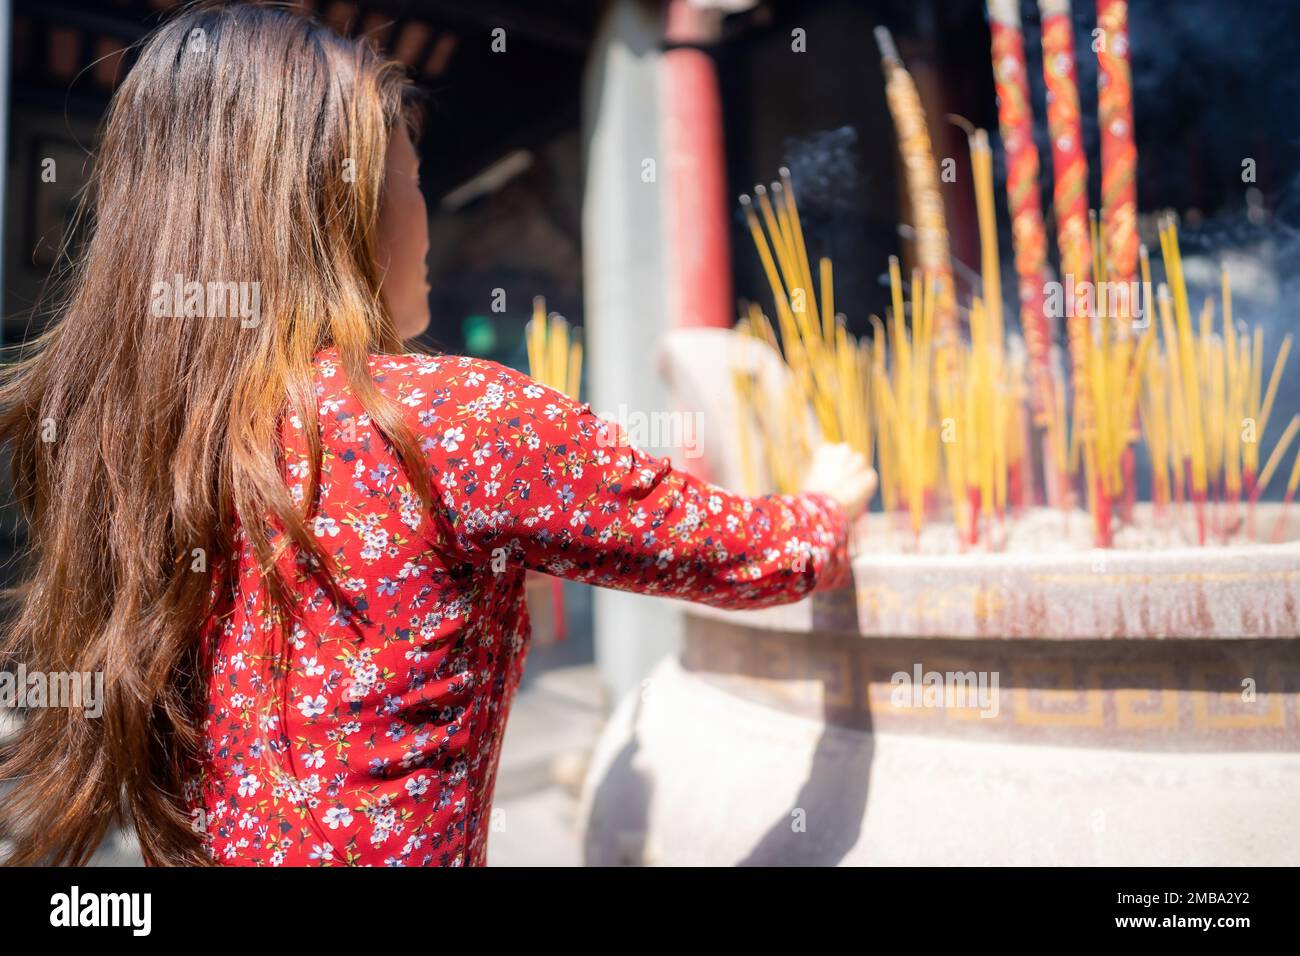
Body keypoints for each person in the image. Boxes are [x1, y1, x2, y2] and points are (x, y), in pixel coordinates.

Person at [0, 2, 874, 866]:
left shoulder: (133, 435)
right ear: (343, 208)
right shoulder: (453, 423)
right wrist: (827, 508)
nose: (431, 217)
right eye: (414, 176)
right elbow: (743, 554)